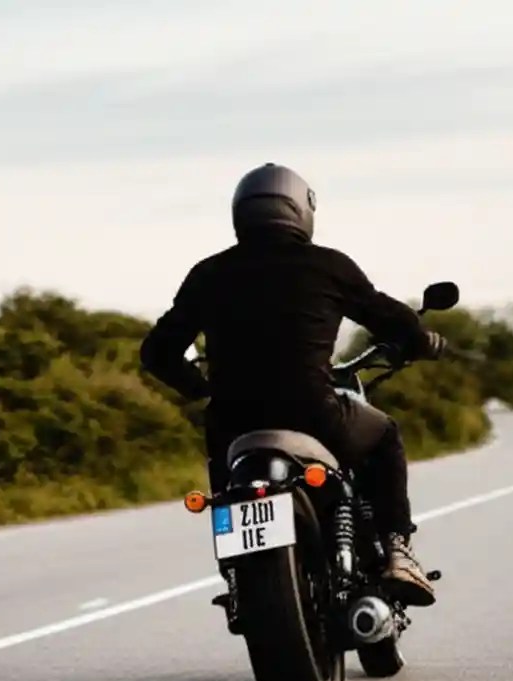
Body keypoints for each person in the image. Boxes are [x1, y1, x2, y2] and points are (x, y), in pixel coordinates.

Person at [139, 163, 445, 607]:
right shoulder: (329, 266)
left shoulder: (208, 274)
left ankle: (238, 575)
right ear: (302, 210)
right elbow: (391, 317)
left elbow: (157, 352)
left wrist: (201, 388)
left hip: (232, 423)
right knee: (385, 436)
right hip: (313, 413)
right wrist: (421, 341)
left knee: (227, 487)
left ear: (241, 213)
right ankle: (398, 549)